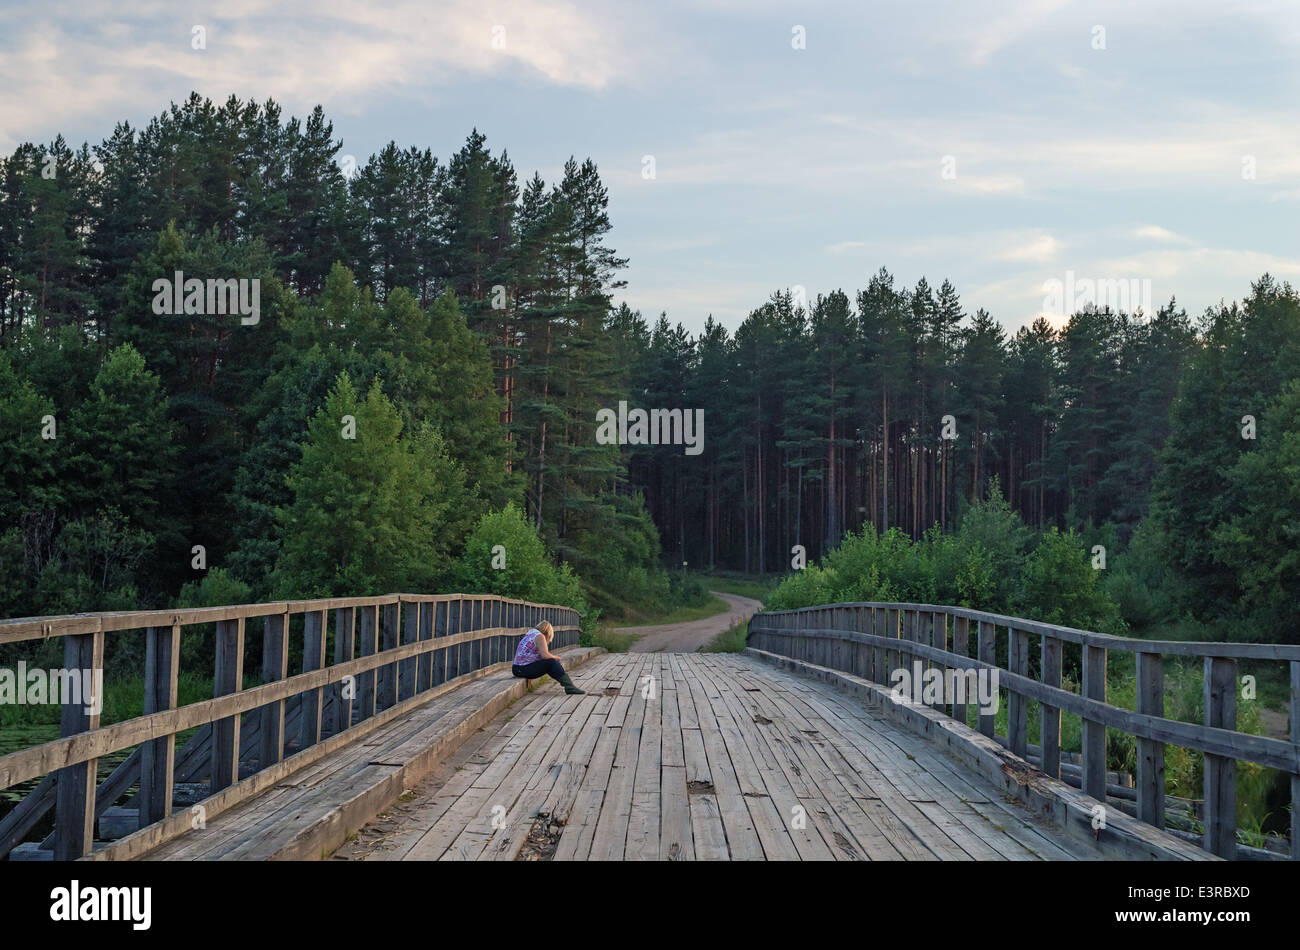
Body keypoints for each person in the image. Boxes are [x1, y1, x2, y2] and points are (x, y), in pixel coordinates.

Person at [511, 620, 585, 694]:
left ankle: (569, 686)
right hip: (522, 669)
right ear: (548, 632)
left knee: (551, 663)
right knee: (551, 662)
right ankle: (569, 687)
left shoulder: (531, 634)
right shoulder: (540, 636)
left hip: (517, 669)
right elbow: (545, 655)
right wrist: (556, 658)